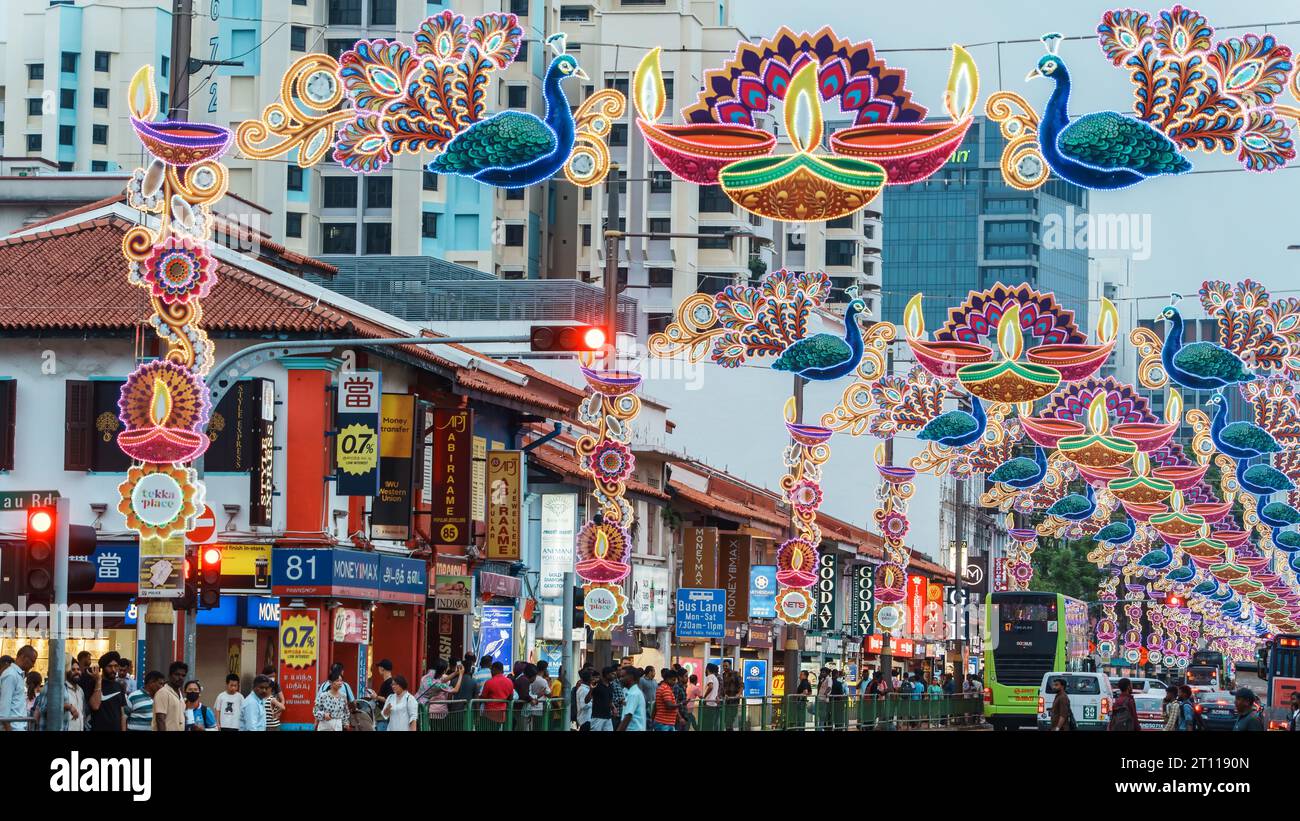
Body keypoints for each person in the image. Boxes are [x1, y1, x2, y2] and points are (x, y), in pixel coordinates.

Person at [85, 651, 127, 732]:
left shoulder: (119, 686)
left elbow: (122, 714)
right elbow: (95, 706)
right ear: (103, 668)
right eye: (110, 666)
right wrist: (98, 681)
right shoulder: (93, 684)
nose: (113, 670)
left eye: (116, 666)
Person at [0, 645, 36, 732]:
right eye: (32, 661)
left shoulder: (18, 675)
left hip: (19, 726)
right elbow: (4, 710)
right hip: (13, 727)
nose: (33, 665)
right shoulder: (11, 675)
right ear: (23, 657)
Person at [478, 661, 514, 730]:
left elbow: (483, 697)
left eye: (491, 669)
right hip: (502, 714)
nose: (491, 672)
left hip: (489, 714)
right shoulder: (509, 682)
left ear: (495, 669)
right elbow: (511, 697)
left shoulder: (489, 682)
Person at [154, 661, 186, 731]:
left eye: (183, 675)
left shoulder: (180, 694)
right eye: (177, 674)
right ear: (170, 675)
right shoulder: (163, 693)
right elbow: (160, 719)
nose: (180, 678)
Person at [367, 659, 395, 731]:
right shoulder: (388, 682)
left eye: (379, 667)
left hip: (384, 716)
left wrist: (376, 697)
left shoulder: (389, 683)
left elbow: (389, 699)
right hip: (382, 716)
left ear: (382, 668)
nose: (378, 669)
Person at [616, 666, 646, 731]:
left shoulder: (633, 694)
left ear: (631, 677)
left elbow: (628, 716)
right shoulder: (635, 692)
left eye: (622, 676)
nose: (620, 679)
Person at [60, 660, 86, 732]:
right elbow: (52, 706)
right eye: (73, 670)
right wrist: (69, 707)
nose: (77, 672)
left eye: (78, 669)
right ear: (67, 672)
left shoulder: (80, 690)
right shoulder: (62, 688)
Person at [260, 665, 284, 731]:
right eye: (270, 676)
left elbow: (282, 700)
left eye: (274, 676)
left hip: (273, 721)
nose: (272, 678)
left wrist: (278, 712)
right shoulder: (259, 685)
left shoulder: (276, 685)